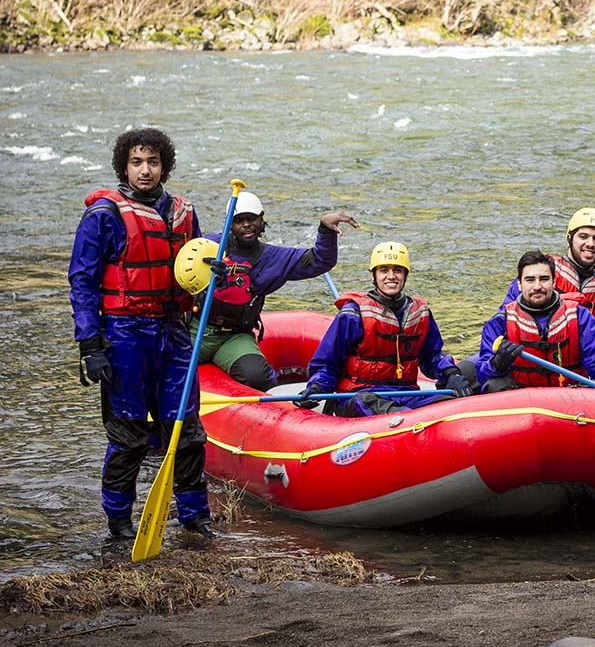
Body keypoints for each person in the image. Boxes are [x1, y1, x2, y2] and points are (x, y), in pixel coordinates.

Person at [69, 128, 215, 540]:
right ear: (124, 167)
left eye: (153, 162)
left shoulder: (183, 213)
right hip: (124, 335)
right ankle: (118, 521)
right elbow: (83, 282)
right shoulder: (103, 216)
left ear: (164, 166)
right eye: (136, 162)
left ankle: (194, 516)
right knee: (129, 435)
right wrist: (90, 345)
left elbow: (194, 271)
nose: (145, 170)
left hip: (173, 331)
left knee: (186, 432)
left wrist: (213, 273)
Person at [194, 191, 361, 390]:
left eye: (251, 219)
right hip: (197, 328)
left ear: (261, 220)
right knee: (166, 363)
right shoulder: (209, 245)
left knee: (259, 378)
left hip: (235, 336)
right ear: (230, 224)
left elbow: (319, 260)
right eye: (239, 220)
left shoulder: (274, 258)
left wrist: (325, 230)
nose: (246, 225)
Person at [300, 242, 475, 416]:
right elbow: (327, 363)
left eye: (397, 270)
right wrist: (317, 387)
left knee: (451, 406)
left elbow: (432, 356)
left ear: (405, 275)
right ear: (373, 275)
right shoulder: (353, 314)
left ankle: (410, 417)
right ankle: (405, 419)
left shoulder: (420, 312)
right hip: (359, 395)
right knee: (374, 404)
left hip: (406, 395)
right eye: (384, 270)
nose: (391, 276)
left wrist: (451, 374)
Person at [477, 250, 595, 394]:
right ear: (519, 285)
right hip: (521, 399)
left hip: (571, 397)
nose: (537, 286)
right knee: (493, 385)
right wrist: (497, 363)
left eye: (544, 279)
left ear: (554, 282)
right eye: (530, 280)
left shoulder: (580, 316)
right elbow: (482, 375)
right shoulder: (500, 323)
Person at [501, 208, 595, 328]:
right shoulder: (541, 271)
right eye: (583, 237)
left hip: (582, 341)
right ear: (569, 239)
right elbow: (503, 316)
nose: (590, 244)